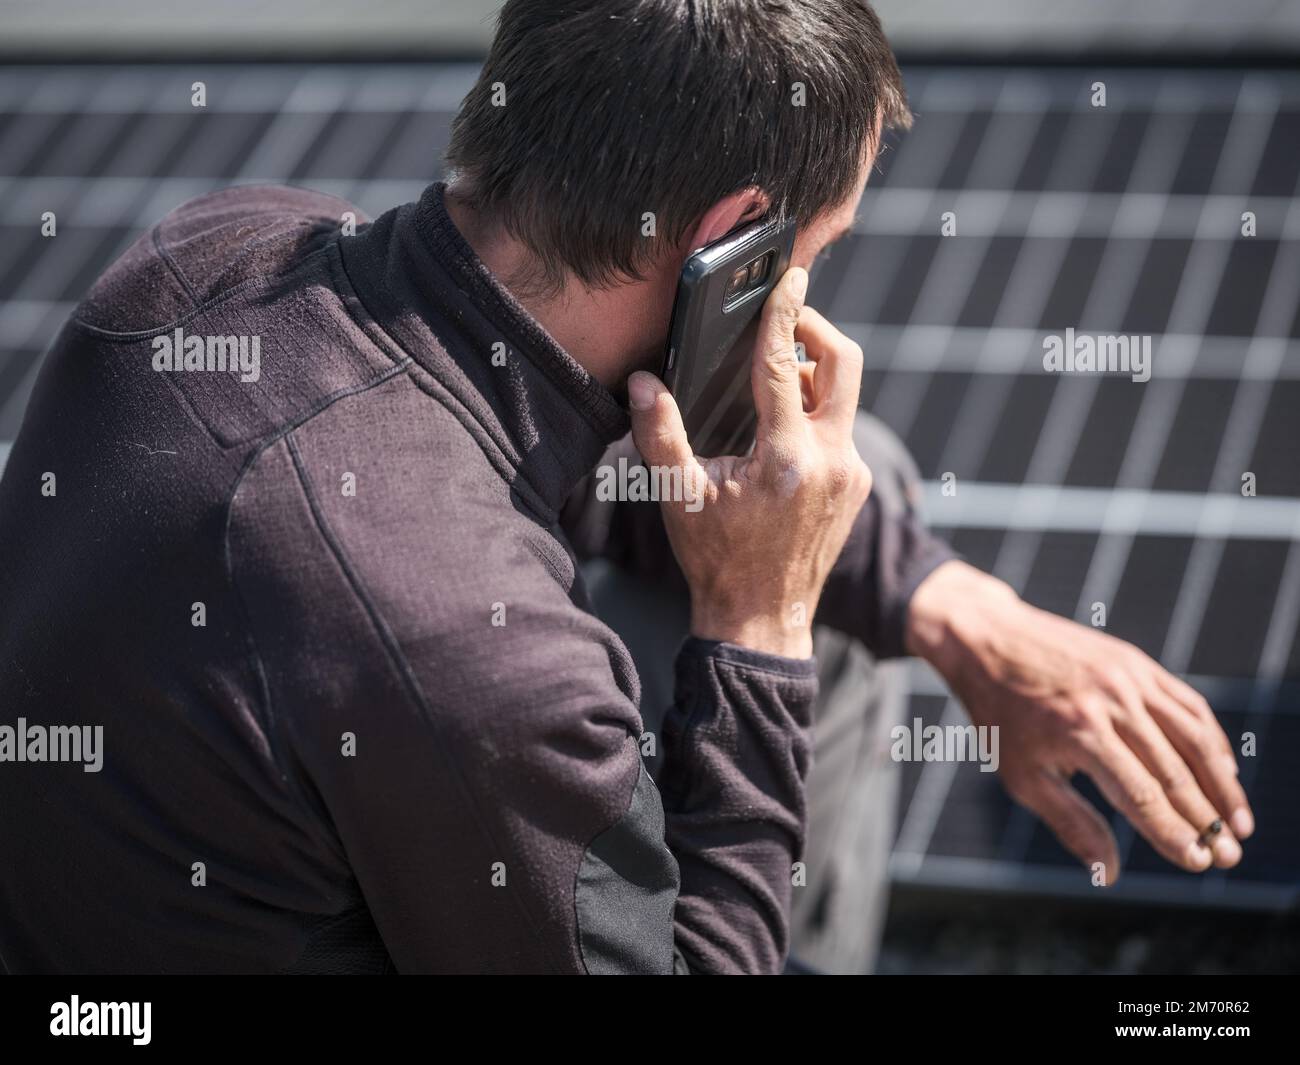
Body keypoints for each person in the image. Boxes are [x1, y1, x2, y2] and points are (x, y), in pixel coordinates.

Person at [0, 0, 1251, 975]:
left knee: (832, 493)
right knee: (792, 574)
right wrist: (759, 630)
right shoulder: (471, 653)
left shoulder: (218, 250)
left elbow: (562, 468)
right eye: (813, 253)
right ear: (728, 240)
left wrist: (947, 603)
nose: (809, 292)